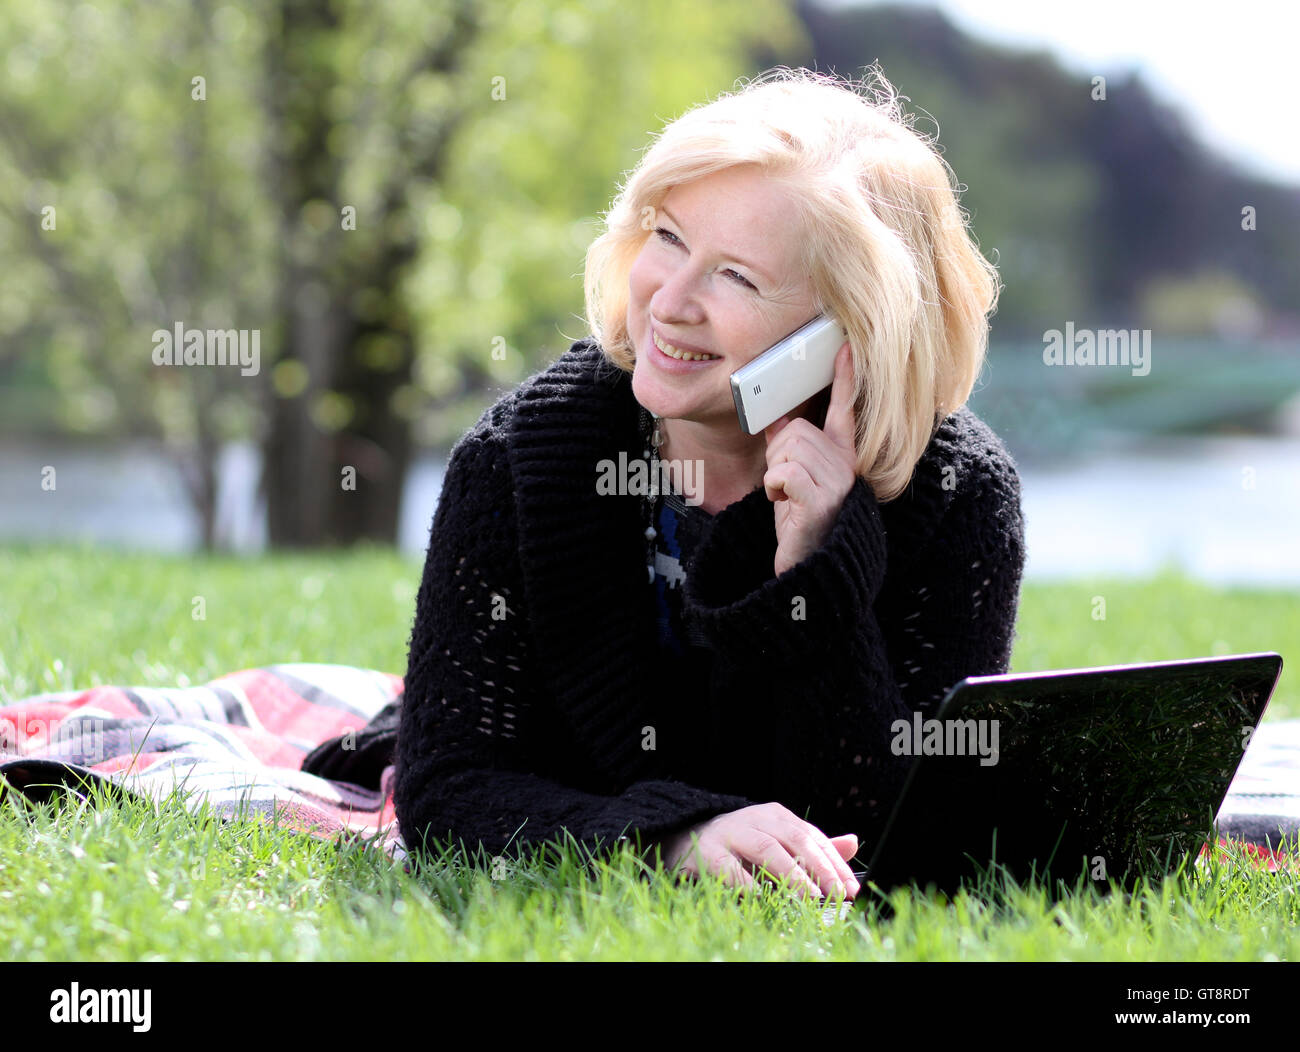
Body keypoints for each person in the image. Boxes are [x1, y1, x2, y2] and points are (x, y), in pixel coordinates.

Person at [303, 65, 1025, 903]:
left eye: (738, 277)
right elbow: (450, 794)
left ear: (849, 332)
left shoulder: (958, 494)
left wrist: (817, 569)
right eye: (671, 238)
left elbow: (905, 831)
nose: (669, 300)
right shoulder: (515, 463)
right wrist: (675, 839)